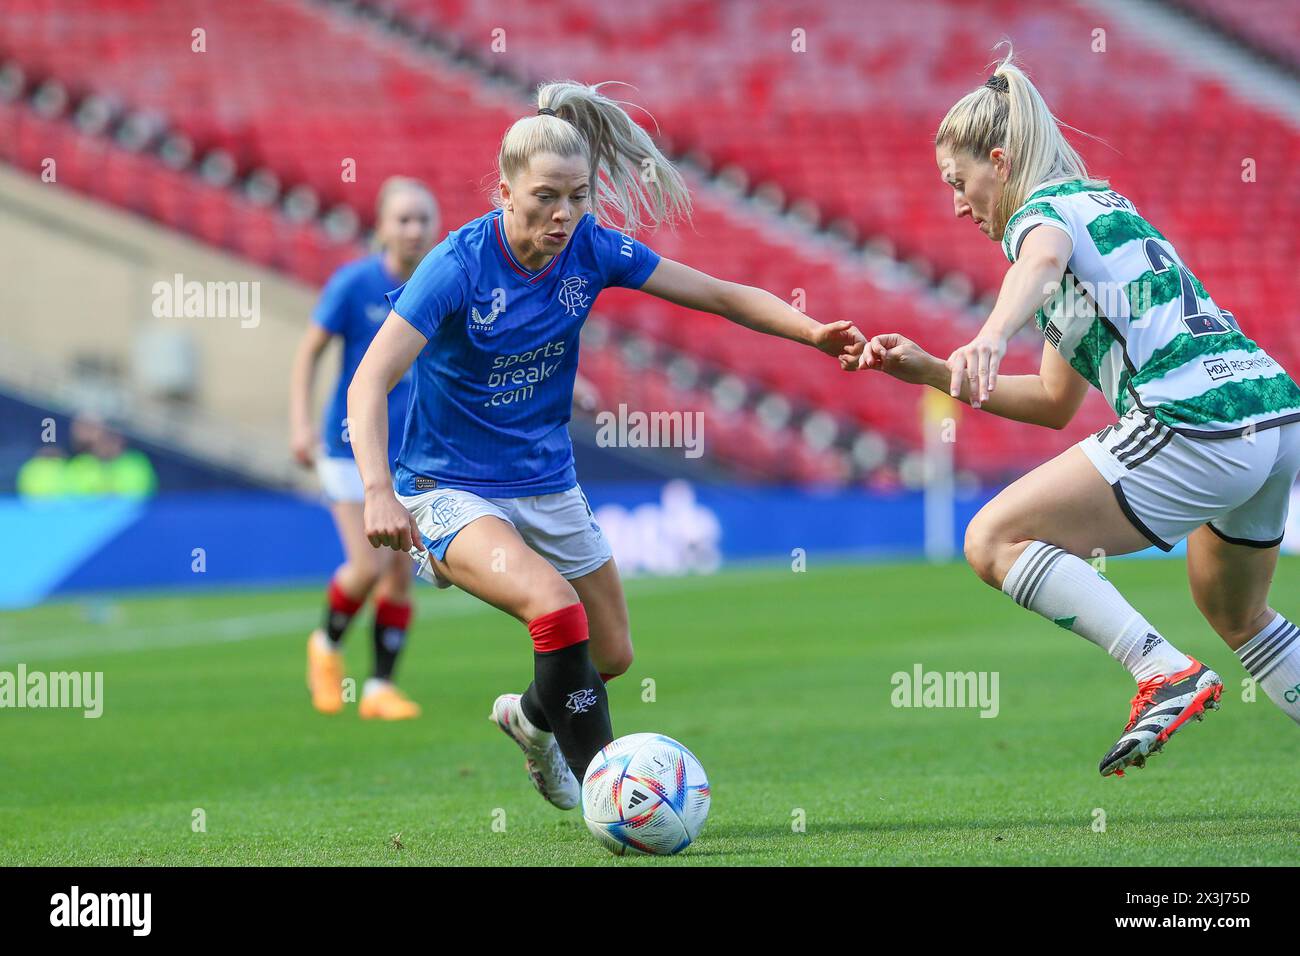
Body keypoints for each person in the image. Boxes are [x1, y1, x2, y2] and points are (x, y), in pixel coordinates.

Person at [349, 81, 864, 811]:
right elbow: (369, 380)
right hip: (448, 488)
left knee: (611, 653)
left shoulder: (591, 248)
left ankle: (532, 723)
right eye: (545, 197)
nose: (563, 214)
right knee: (553, 607)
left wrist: (812, 332)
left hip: (547, 481)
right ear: (504, 191)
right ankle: (612, 800)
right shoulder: (457, 265)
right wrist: (377, 490)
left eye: (578, 196)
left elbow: (720, 294)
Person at [853, 52, 1300, 776]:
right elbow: (1054, 401)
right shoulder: (1101, 207)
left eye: (959, 183)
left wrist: (990, 335)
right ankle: (1171, 667)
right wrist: (934, 369)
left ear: (1000, 162)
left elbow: (1037, 260)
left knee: (991, 537)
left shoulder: (1040, 216)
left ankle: (1162, 670)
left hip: (1197, 417)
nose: (958, 205)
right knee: (1238, 614)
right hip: (1272, 413)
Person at [289, 176, 439, 720]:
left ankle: (378, 689)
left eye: (423, 219)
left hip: (410, 451)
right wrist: (300, 424)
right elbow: (308, 353)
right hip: (348, 445)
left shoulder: (443, 283)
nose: (414, 229)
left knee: (400, 572)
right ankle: (325, 646)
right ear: (381, 227)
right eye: (403, 219)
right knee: (369, 564)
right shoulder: (354, 284)